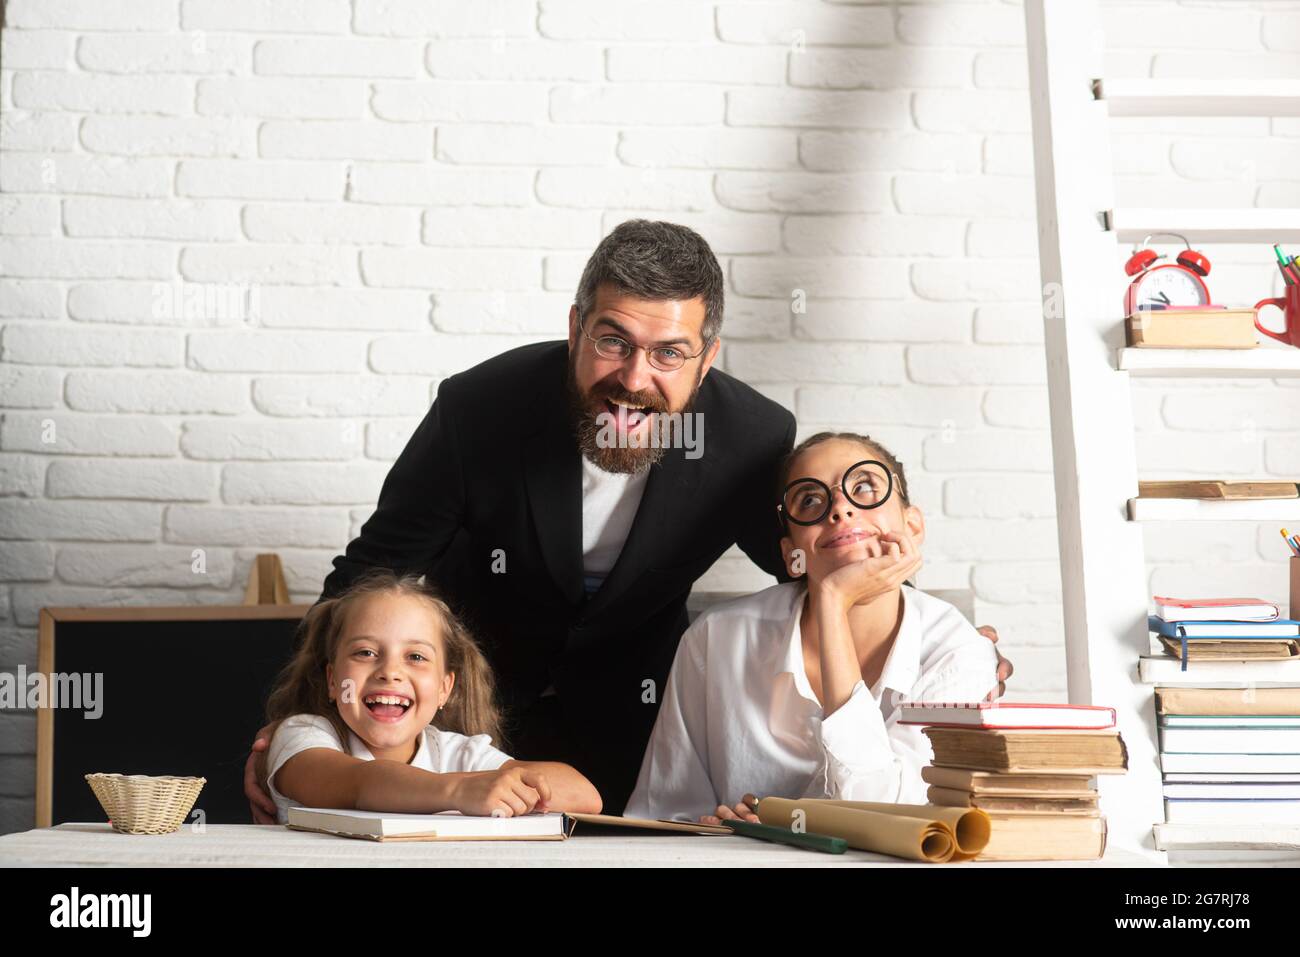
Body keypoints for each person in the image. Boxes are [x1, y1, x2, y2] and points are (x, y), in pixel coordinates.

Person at [245, 219, 1013, 821]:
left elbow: (817, 563)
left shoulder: (748, 439)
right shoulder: (479, 410)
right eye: (614, 340)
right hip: (461, 727)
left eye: (669, 354)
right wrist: (296, 717)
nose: (634, 379)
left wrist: (942, 638)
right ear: (576, 326)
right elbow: (371, 571)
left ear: (707, 359)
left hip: (635, 729)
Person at [624, 431, 999, 825]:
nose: (839, 509)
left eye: (865, 487)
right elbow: (664, 812)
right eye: (810, 500)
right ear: (791, 555)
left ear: (913, 526)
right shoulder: (715, 639)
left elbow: (893, 817)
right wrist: (720, 835)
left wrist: (834, 602)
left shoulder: (960, 653)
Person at [263, 568, 601, 822]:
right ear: (333, 680)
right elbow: (359, 783)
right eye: (365, 653)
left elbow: (584, 796)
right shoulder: (303, 736)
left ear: (444, 689)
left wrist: (505, 787)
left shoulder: (458, 755)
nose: (390, 671)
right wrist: (458, 791)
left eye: (416, 657)